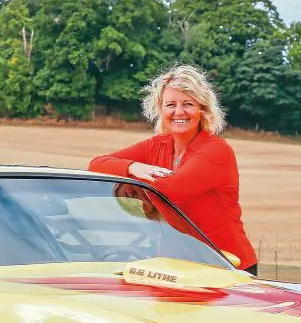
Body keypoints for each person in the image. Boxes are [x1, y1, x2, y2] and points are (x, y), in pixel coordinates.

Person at [89, 64, 258, 274]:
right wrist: (133, 166)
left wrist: (133, 178)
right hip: (175, 263)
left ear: (202, 109)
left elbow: (172, 189)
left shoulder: (217, 150)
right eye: (171, 104)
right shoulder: (156, 145)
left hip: (226, 264)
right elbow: (97, 164)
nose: (179, 112)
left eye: (188, 104)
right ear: (160, 109)